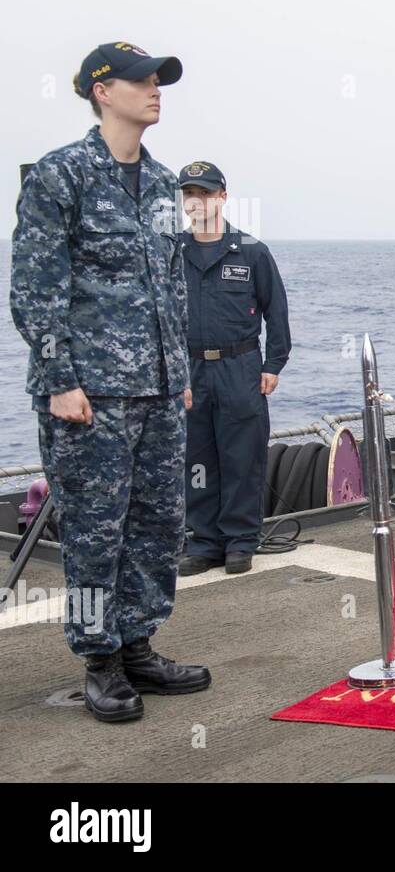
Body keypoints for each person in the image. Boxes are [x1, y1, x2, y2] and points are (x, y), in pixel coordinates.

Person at [9, 42, 210, 723]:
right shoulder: (60, 176)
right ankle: (99, 659)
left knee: (158, 524)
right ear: (102, 90)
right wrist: (60, 378)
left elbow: (170, 287)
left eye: (159, 81)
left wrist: (176, 373)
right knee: (96, 531)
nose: (156, 90)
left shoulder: (160, 184)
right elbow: (36, 289)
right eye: (142, 80)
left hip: (156, 391)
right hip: (89, 395)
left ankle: (138, 643)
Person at [177, 162, 291, 576]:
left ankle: (241, 540)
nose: (198, 202)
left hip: (239, 366)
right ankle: (204, 542)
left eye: (206, 193)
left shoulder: (251, 251)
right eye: (190, 194)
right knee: (198, 458)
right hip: (190, 369)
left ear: (222, 197)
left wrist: (274, 363)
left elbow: (276, 312)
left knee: (241, 455)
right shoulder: (173, 253)